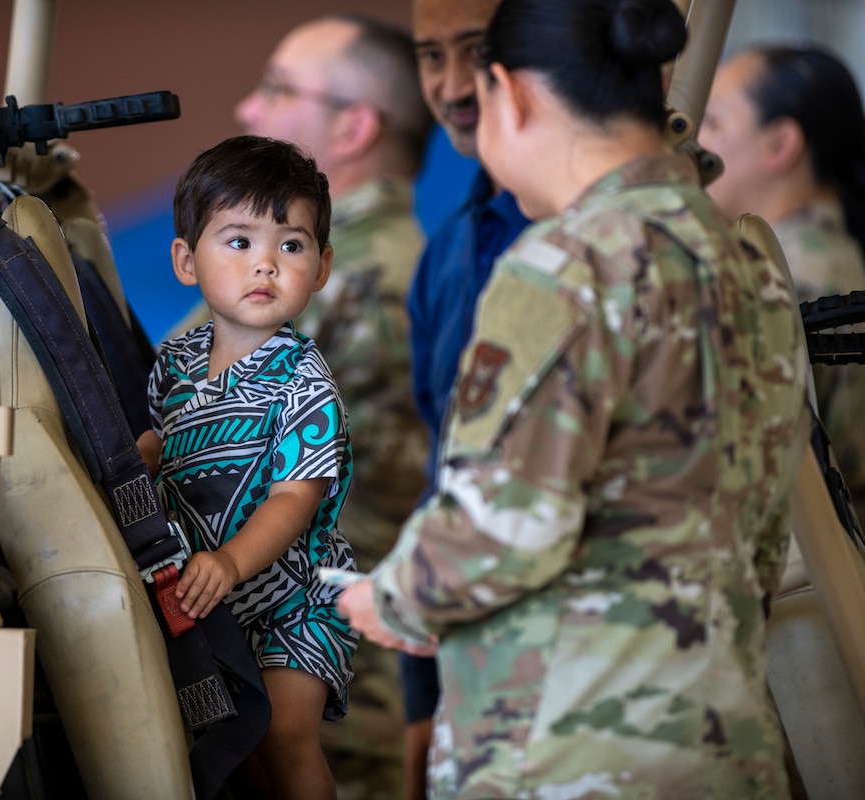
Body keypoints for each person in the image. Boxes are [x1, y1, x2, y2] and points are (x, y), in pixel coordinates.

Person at [338, 0, 810, 797]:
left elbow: (502, 524)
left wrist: (390, 598)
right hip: (725, 740)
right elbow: (764, 529)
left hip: (565, 753)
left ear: (509, 94)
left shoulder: (560, 265)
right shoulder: (745, 259)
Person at [229, 14, 434, 797]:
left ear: (354, 126)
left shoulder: (347, 282)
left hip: (325, 695)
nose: (250, 111)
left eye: (279, 90)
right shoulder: (337, 268)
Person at [137, 135, 358, 800]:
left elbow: (295, 499)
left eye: (290, 246)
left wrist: (231, 562)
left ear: (320, 267)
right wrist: (125, 467)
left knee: (285, 733)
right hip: (211, 595)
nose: (265, 265)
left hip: (295, 599)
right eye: (239, 243)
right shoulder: (178, 360)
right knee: (237, 744)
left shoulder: (304, 381)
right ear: (185, 260)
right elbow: (162, 441)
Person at [400, 1, 530, 795]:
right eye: (429, 56)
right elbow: (441, 475)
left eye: (475, 51)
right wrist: (425, 701)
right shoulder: (447, 251)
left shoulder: (607, 239)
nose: (452, 86)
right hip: (472, 684)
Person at [700, 42, 865, 525]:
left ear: (780, 145)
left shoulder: (793, 280)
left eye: (713, 123)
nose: (694, 147)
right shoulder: (825, 257)